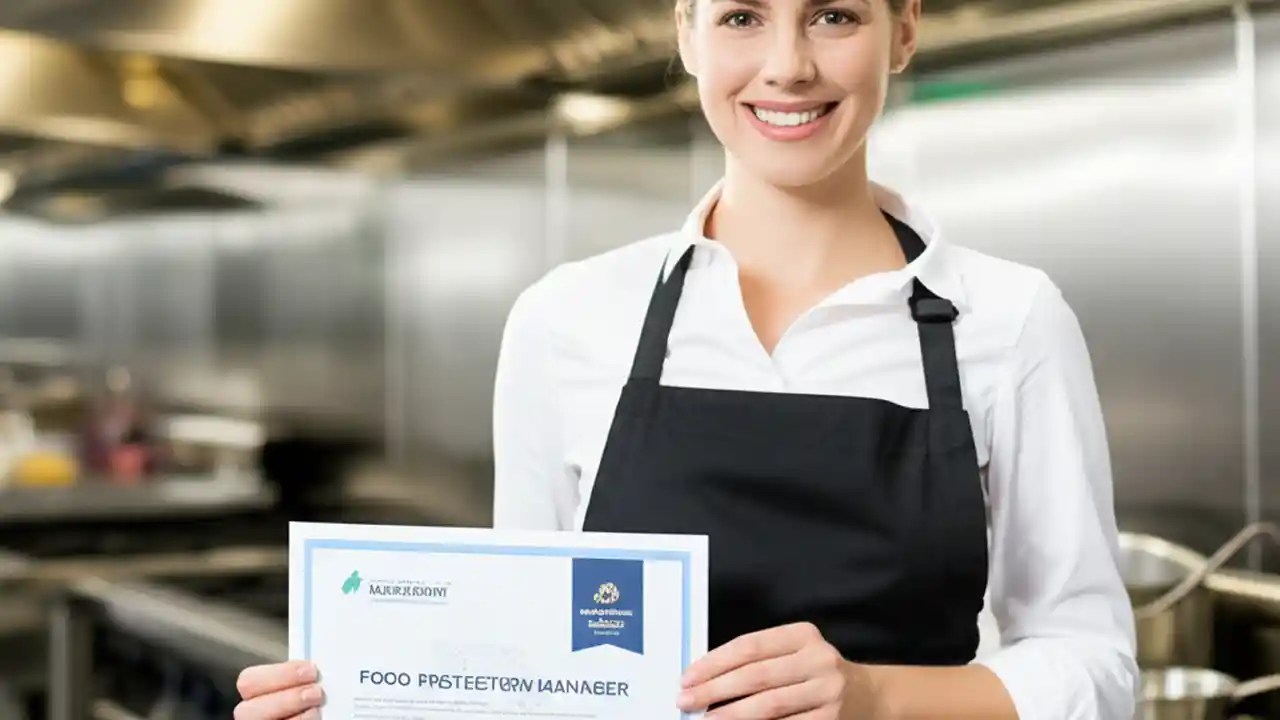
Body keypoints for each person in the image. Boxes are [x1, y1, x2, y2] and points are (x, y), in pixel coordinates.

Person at [234, 0, 1138, 718]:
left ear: (903, 32)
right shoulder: (567, 321)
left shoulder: (1012, 319)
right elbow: (522, 676)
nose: (788, 63)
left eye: (835, 15)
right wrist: (363, 703)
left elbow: (1093, 667)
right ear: (688, 33)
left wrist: (875, 698)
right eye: (742, 16)